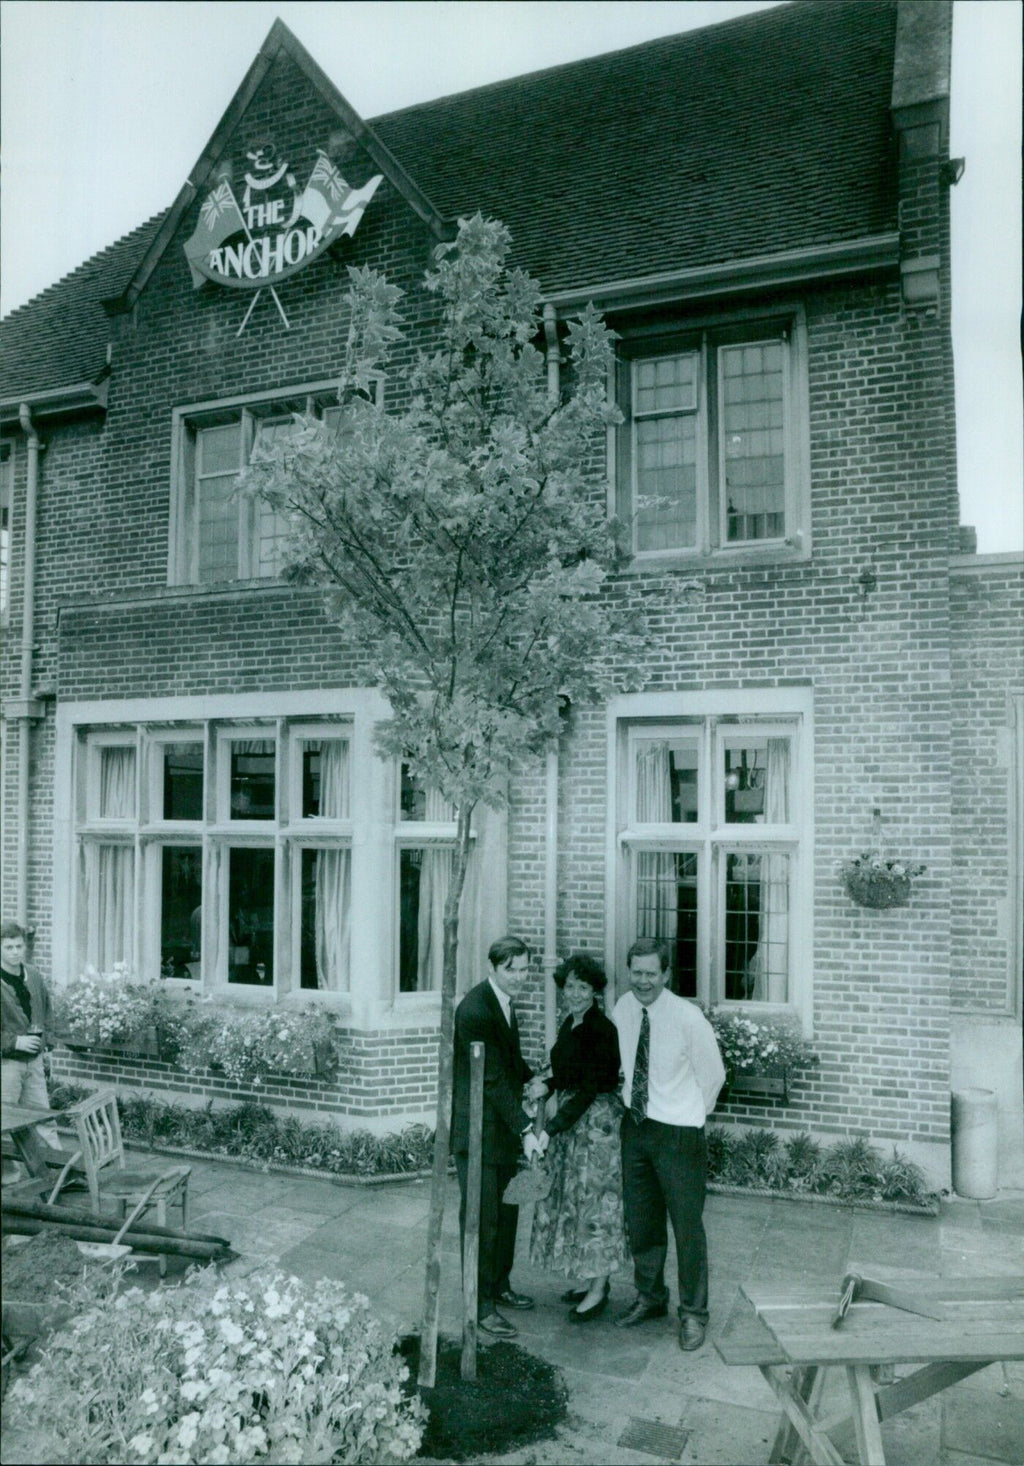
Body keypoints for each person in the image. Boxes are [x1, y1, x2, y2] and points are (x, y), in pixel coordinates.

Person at [612, 937, 725, 1352]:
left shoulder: (688, 1018)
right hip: (636, 1126)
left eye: (651, 974)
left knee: (687, 1226)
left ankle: (694, 1314)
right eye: (636, 972)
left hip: (678, 1132)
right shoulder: (623, 1008)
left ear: (666, 975)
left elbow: (713, 1076)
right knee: (642, 1220)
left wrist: (689, 1113)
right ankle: (651, 1297)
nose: (643, 981)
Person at [451, 935, 549, 1339]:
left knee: (506, 1214)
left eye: (525, 969)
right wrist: (527, 1128)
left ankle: (500, 1286)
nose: (520, 977)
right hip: (478, 1133)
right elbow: (490, 1080)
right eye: (512, 969)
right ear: (493, 967)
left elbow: (509, 1063)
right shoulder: (474, 1009)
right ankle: (480, 1305)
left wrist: (535, 1078)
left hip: (501, 1131)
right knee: (482, 1219)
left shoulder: (506, 1004)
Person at [530, 952, 628, 1321]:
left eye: (582, 986)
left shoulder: (603, 1030)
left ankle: (600, 1288)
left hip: (595, 1127)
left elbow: (589, 1087)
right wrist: (548, 1085)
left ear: (595, 991)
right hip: (574, 1122)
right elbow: (567, 1073)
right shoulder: (569, 1022)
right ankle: (589, 1280)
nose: (574, 993)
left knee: (595, 1207)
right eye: (569, 985)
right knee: (576, 1202)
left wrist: (552, 1128)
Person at [1, 920, 61, 1164]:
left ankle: (59, 1171)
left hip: (34, 1062)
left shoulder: (33, 975)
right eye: (8, 947)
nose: (15, 952)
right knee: (5, 1121)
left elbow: (47, 1010)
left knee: (44, 1119)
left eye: (18, 946)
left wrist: (47, 1041)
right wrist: (15, 1042)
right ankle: (9, 1180)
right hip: (7, 1066)